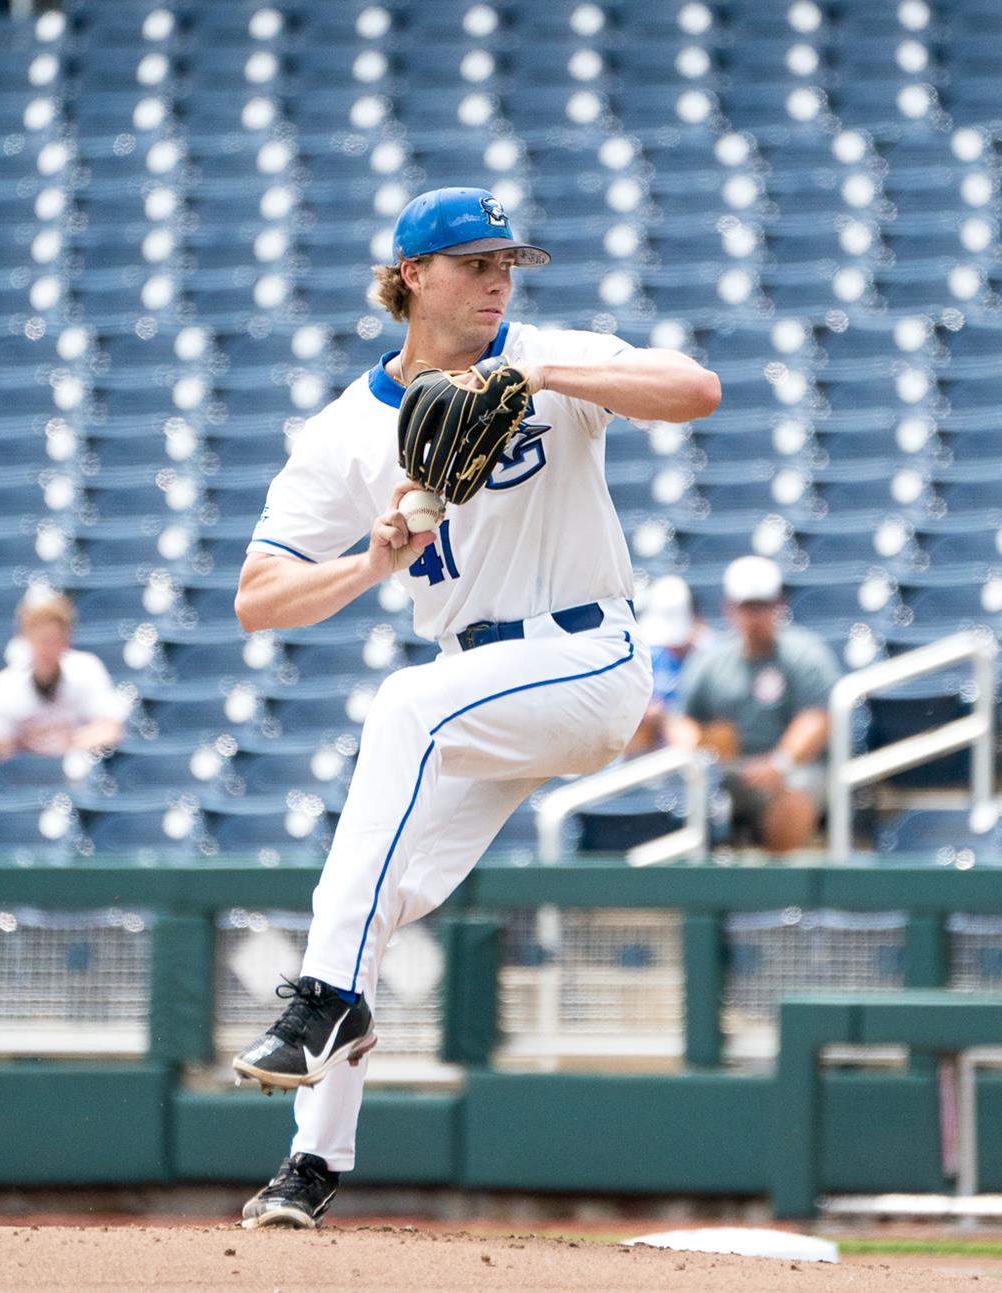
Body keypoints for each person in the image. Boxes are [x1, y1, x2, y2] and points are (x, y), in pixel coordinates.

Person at [227, 186, 720, 1229]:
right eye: (474, 263)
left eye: (509, 262)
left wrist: (539, 370)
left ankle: (317, 1007)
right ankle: (309, 1170)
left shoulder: (547, 352)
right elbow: (257, 598)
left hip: (589, 656)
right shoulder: (342, 431)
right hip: (480, 685)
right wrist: (367, 564)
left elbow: (694, 388)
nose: (499, 279)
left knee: (404, 707)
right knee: (366, 902)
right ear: (411, 276)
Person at [669, 555, 839, 855]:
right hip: (729, 769)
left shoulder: (805, 655)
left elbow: (817, 719)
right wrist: (697, 750)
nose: (756, 616)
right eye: (747, 607)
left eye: (764, 606)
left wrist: (780, 763)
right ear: (730, 609)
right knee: (685, 791)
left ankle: (775, 887)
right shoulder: (711, 661)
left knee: (794, 796)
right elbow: (684, 720)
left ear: (779, 606)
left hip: (794, 767)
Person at [0, 591, 127, 758]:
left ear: (67, 640)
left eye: (54, 640)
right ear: (26, 638)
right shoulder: (3, 687)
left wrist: (70, 742)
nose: (47, 649)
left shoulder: (86, 669)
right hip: (28, 775)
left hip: (75, 770)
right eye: (41, 640)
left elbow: (111, 729)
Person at [625, 574, 707, 753]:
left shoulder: (710, 658)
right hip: (653, 744)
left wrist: (665, 718)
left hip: (697, 740)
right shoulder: (652, 656)